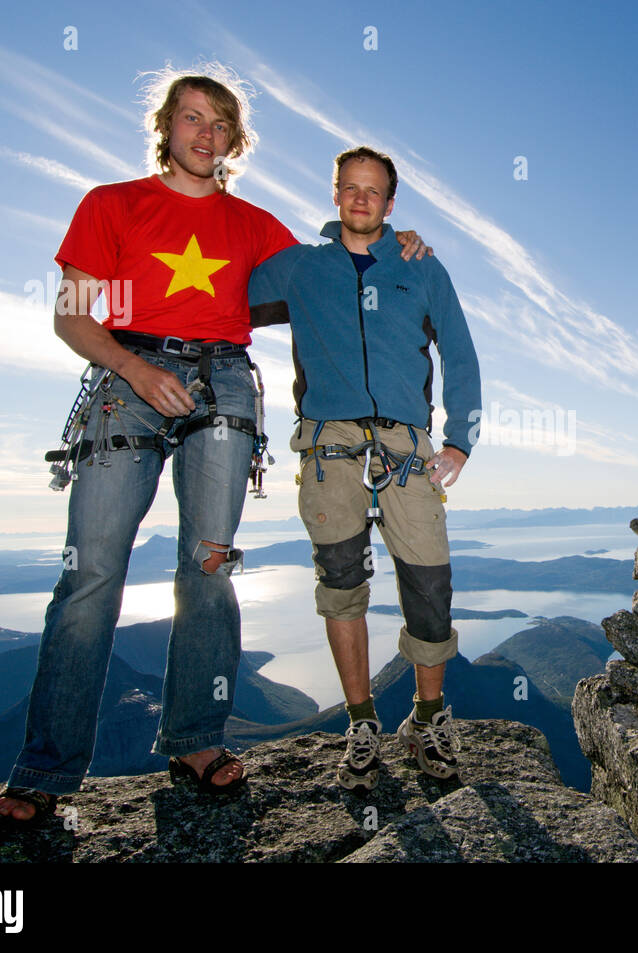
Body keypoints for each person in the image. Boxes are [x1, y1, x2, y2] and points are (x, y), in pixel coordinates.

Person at [0, 74, 427, 826]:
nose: (206, 133)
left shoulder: (252, 223)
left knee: (210, 564)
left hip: (224, 383)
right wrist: (136, 368)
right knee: (91, 570)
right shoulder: (109, 204)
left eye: (221, 123)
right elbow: (70, 316)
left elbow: (326, 282)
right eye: (192, 117)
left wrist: (393, 245)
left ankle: (195, 738)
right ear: (166, 126)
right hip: (128, 376)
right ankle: (45, 771)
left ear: (234, 141)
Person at [248, 146, 481, 791]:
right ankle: (361, 722)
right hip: (329, 442)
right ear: (334, 194)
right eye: (350, 188)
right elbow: (216, 293)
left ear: (391, 202)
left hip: (408, 448)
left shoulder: (420, 266)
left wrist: (461, 439)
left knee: (430, 586)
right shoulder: (300, 268)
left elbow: (460, 352)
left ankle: (428, 718)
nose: (361, 200)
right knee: (341, 581)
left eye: (373, 191)